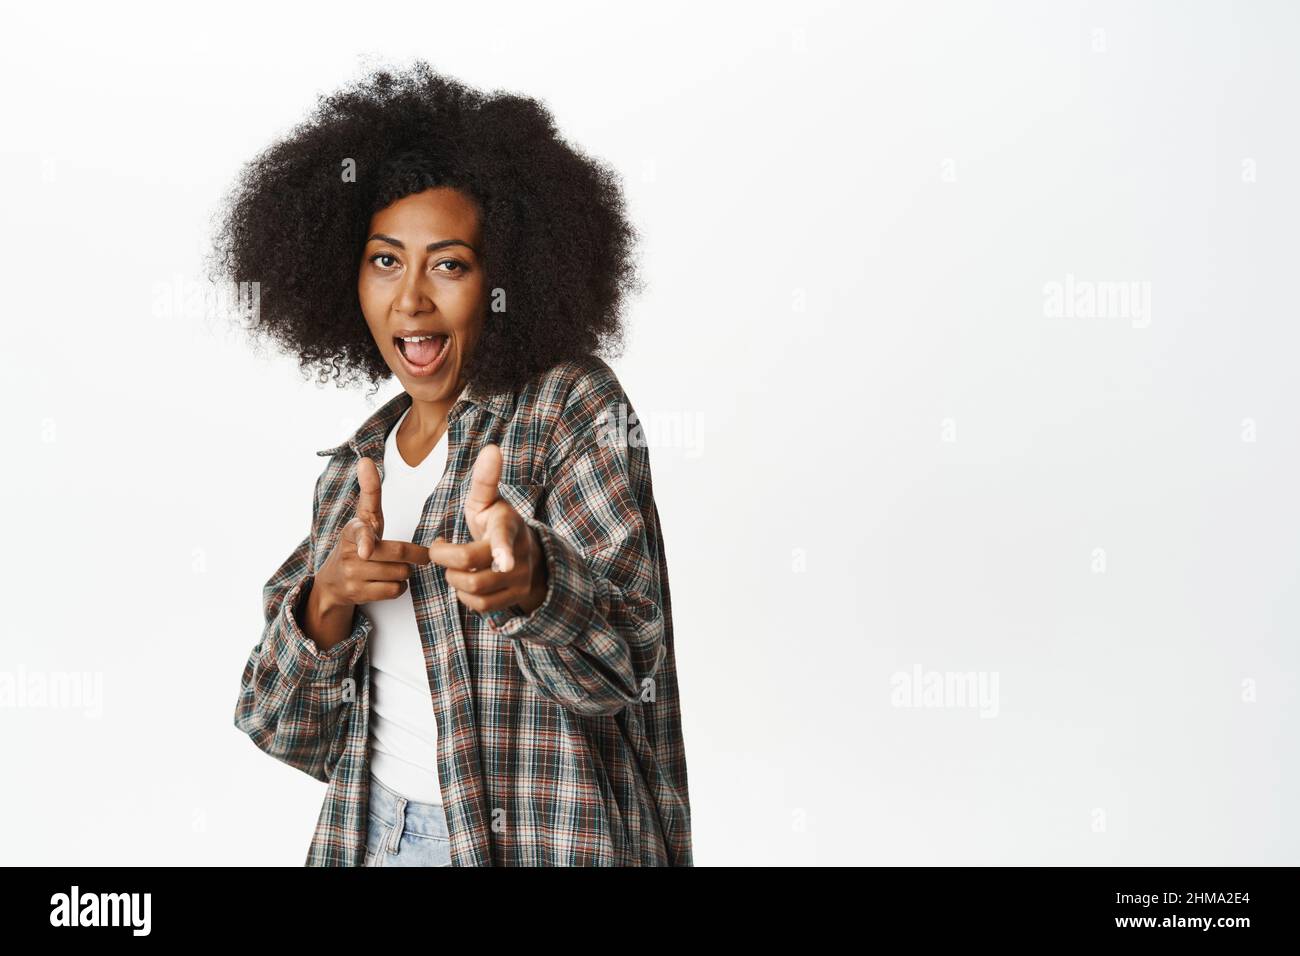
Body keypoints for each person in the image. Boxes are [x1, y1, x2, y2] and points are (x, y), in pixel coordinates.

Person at [217, 62, 692, 866]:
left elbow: (629, 667)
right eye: (383, 261)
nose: (411, 299)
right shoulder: (352, 473)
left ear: (504, 277)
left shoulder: (569, 408)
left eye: (448, 264)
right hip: (372, 837)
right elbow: (280, 727)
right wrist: (325, 602)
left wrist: (537, 584)